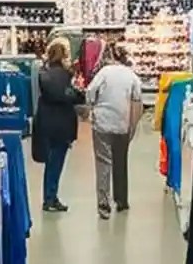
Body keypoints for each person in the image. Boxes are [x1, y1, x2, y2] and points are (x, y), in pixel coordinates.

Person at [86, 43, 142, 218]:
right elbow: (137, 102)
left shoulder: (104, 73)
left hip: (102, 123)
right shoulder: (132, 76)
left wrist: (93, 107)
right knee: (121, 162)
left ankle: (104, 204)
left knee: (103, 162)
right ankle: (121, 200)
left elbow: (90, 92)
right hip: (122, 124)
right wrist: (132, 127)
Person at [34, 38, 85, 213]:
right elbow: (70, 96)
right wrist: (79, 93)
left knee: (51, 163)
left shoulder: (43, 73)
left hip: (46, 123)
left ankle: (50, 197)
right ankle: (50, 198)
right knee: (56, 163)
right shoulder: (65, 76)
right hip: (62, 125)